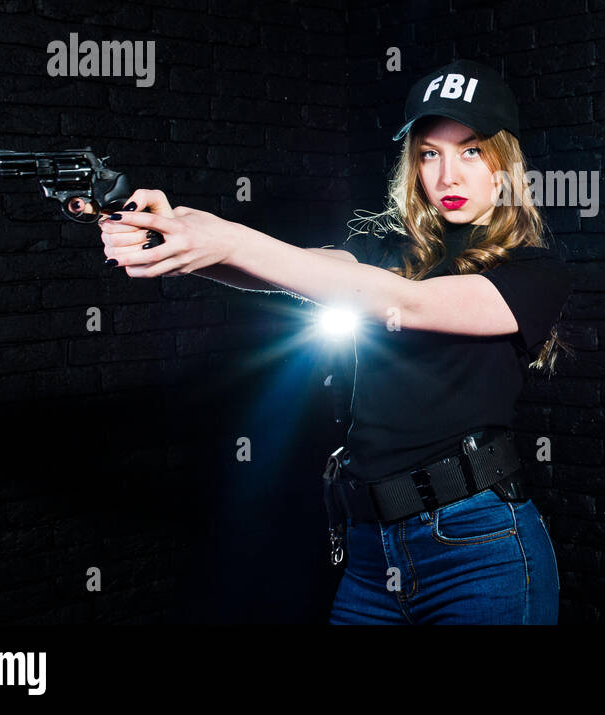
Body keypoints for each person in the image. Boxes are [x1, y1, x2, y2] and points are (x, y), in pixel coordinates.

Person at [90, 59, 573, 625]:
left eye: (471, 151)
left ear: (503, 167)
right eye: (429, 154)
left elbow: (404, 302)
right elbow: (289, 270)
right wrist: (182, 239)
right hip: (371, 549)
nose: (448, 176)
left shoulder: (535, 272)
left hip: (479, 548)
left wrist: (224, 240)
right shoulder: (382, 248)